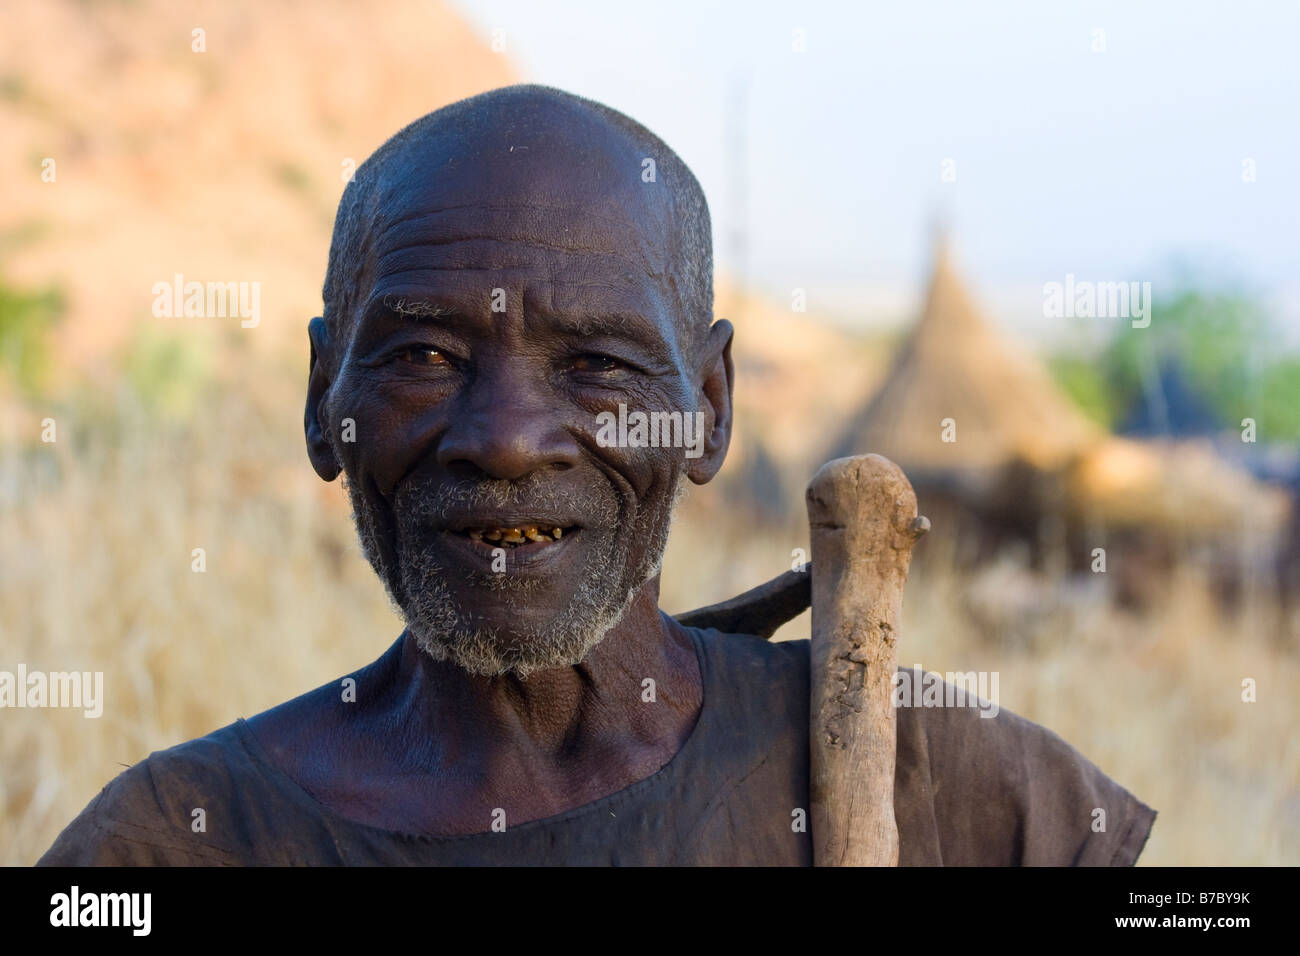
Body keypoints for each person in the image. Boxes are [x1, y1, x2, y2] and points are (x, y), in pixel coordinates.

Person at [38, 85, 1155, 866]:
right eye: (423, 357)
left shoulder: (943, 781)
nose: (509, 439)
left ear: (706, 412)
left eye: (596, 365)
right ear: (325, 397)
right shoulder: (176, 840)